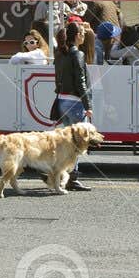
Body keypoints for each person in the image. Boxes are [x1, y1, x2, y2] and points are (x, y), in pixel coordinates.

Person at [51, 21, 92, 191]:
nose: (84, 35)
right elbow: (81, 82)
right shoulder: (78, 55)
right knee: (78, 143)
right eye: (82, 33)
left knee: (68, 142)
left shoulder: (60, 54)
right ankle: (72, 178)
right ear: (77, 36)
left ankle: (62, 175)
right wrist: (88, 105)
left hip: (62, 101)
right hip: (75, 102)